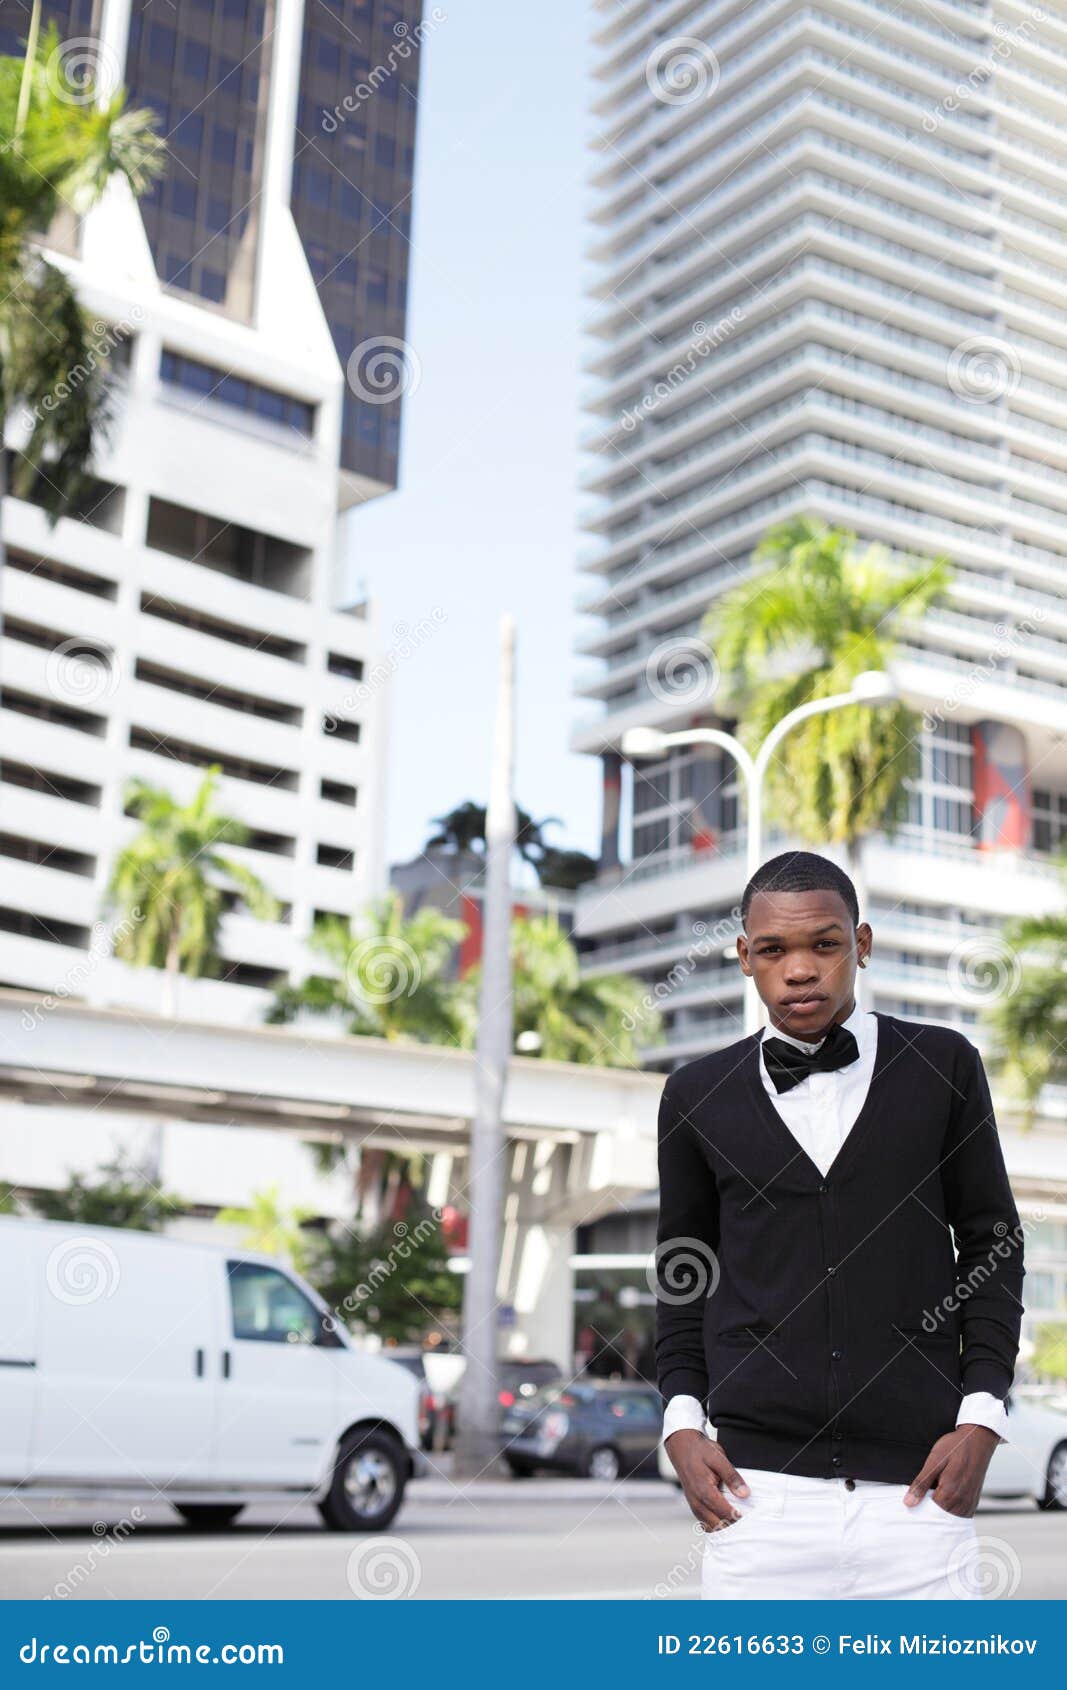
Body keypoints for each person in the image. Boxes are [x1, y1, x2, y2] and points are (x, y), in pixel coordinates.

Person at [655, 851, 1025, 1600]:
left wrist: (981, 1417)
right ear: (743, 958)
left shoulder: (942, 1066)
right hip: (754, 1501)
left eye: (823, 945)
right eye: (773, 950)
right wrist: (680, 1423)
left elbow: (990, 1242)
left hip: (919, 1496)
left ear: (860, 944)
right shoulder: (696, 1094)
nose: (799, 970)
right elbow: (681, 1268)